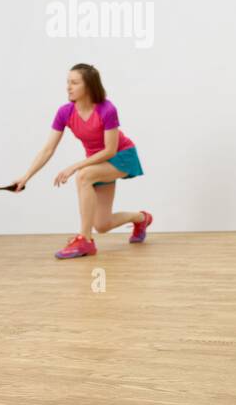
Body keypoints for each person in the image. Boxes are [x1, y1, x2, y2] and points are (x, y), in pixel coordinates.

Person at [14, 64, 152, 259]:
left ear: (88, 86)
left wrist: (75, 166)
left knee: (83, 176)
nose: (68, 87)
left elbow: (110, 150)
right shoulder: (65, 112)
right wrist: (26, 176)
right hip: (97, 162)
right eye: (67, 82)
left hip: (123, 156)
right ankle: (141, 218)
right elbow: (48, 149)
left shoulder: (107, 109)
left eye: (74, 82)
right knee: (102, 225)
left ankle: (85, 239)